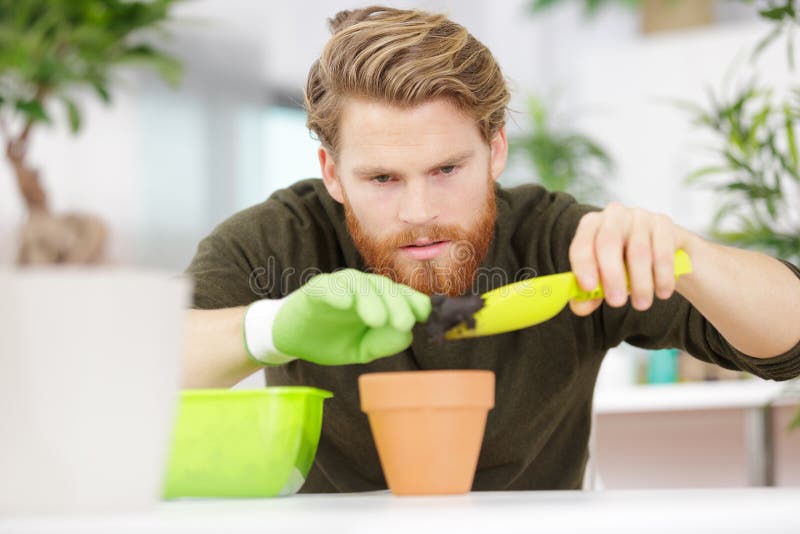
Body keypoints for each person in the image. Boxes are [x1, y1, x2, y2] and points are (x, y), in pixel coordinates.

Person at [184, 6, 800, 492]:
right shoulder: (277, 238)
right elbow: (136, 374)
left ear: (496, 149)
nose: (419, 212)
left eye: (447, 169)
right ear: (333, 172)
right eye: (382, 179)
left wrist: (684, 254)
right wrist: (273, 326)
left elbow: (791, 344)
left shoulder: (562, 240)